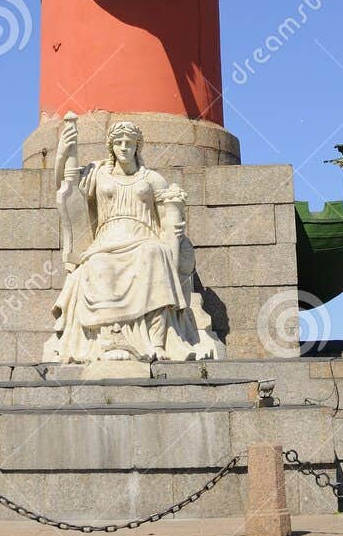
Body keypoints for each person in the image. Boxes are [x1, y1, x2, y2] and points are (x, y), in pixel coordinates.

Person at [43, 117, 222, 364]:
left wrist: (175, 225)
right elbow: (66, 185)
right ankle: (108, 338)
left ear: (138, 146)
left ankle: (158, 342)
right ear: (111, 147)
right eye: (119, 142)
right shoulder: (98, 174)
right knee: (98, 265)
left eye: (130, 142)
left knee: (154, 254)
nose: (124, 147)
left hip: (143, 238)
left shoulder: (152, 179)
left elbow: (168, 223)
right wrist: (64, 152)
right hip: (106, 241)